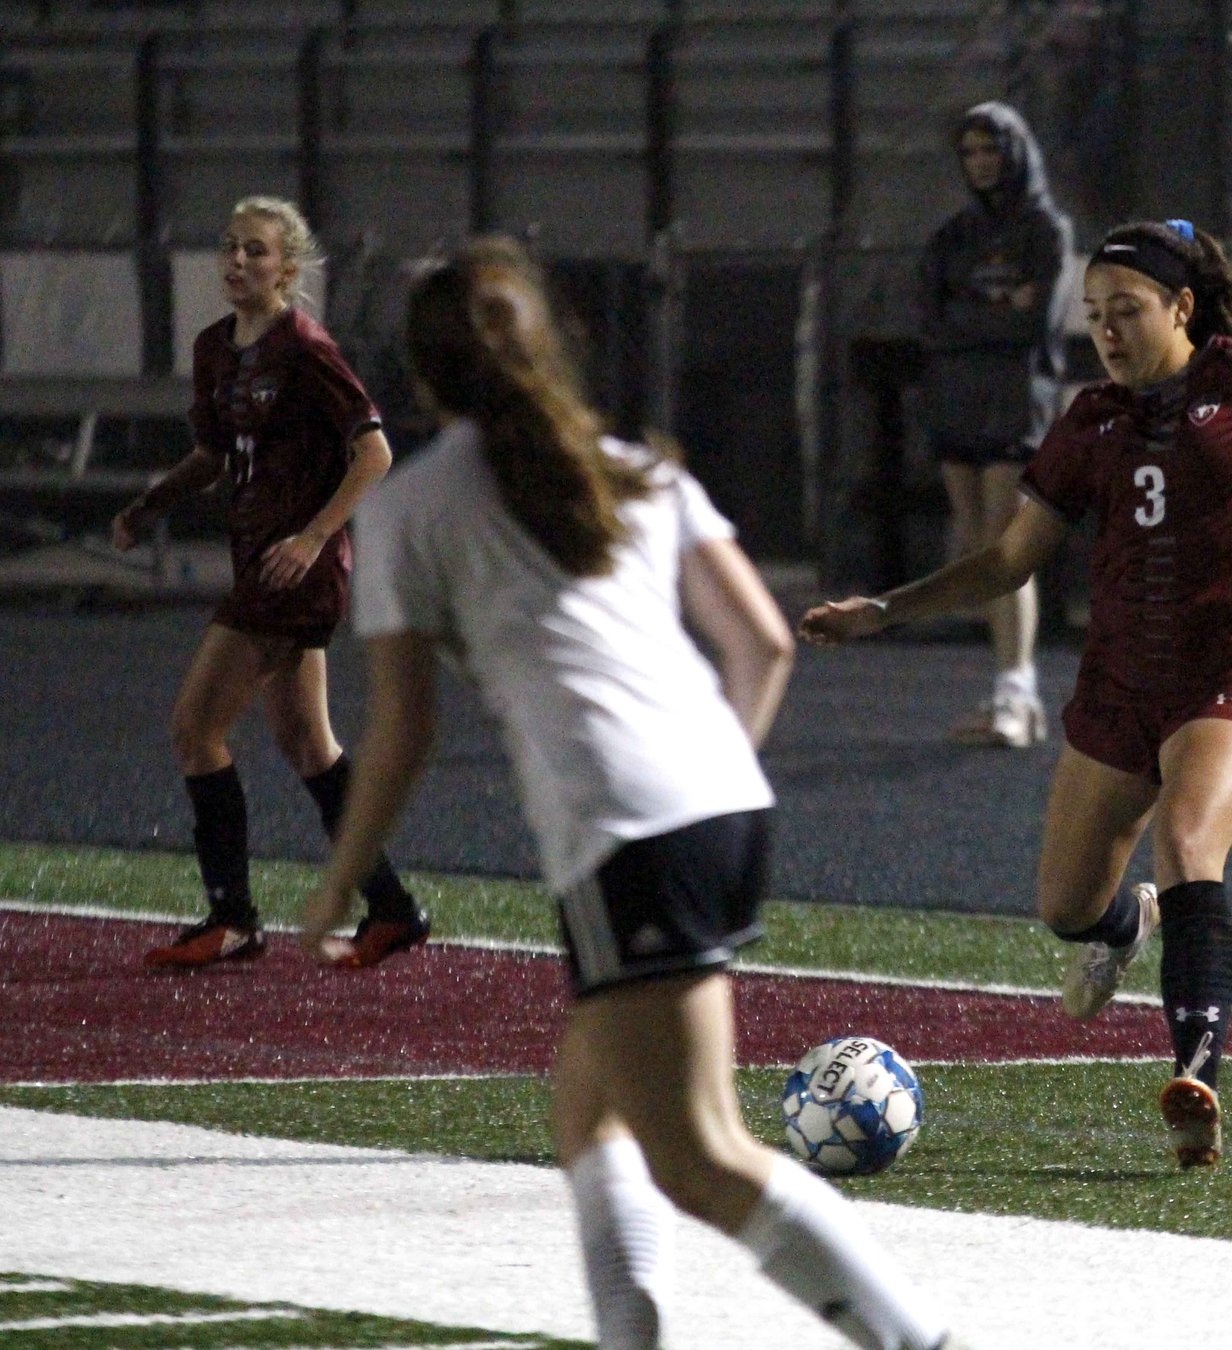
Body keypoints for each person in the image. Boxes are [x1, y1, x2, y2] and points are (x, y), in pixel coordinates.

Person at [299, 238, 971, 1350]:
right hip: (722, 803)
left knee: (702, 1157)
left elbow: (404, 731)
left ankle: (920, 1343)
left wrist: (337, 886)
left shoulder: (414, 508)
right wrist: (709, 781)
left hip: (627, 832)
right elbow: (764, 645)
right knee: (586, 1106)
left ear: (421, 376)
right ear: (550, 345)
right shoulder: (637, 468)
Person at [803, 219, 1232, 1170]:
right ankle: (1121, 925)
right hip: (1120, 688)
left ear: (1181, 307)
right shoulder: (1089, 419)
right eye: (1093, 314)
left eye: (1125, 309)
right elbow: (1007, 560)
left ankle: (1196, 1078)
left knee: (1189, 842)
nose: (1106, 329)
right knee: (1063, 906)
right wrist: (880, 610)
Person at [113, 195, 427, 971]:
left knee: (195, 729)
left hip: (293, 572)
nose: (238, 262)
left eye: (255, 251)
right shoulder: (217, 347)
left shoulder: (305, 347)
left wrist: (314, 536)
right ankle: (390, 907)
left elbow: (375, 452)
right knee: (308, 745)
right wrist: (152, 504)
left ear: (287, 268)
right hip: (260, 561)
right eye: (229, 248)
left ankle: (233, 918)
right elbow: (215, 456)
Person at [916, 101, 1075, 747]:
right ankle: (1012, 691)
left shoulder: (1045, 229)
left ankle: (1016, 690)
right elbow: (930, 320)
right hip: (956, 393)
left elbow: (1036, 326)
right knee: (979, 552)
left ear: (1016, 153)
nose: (981, 164)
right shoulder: (951, 237)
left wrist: (972, 315)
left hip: (1016, 396)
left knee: (1004, 550)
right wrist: (994, 310)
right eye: (970, 153)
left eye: (990, 151)